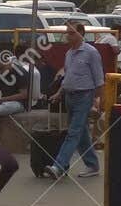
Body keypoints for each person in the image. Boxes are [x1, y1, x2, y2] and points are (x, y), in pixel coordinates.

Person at [44, 22, 105, 180]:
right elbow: (67, 77)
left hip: (84, 96)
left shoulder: (91, 53)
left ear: (80, 34)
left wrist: (97, 102)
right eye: (67, 33)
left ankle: (58, 166)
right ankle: (92, 165)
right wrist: (59, 93)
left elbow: (99, 79)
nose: (68, 36)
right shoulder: (69, 54)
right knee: (81, 133)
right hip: (69, 96)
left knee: (73, 133)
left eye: (71, 33)